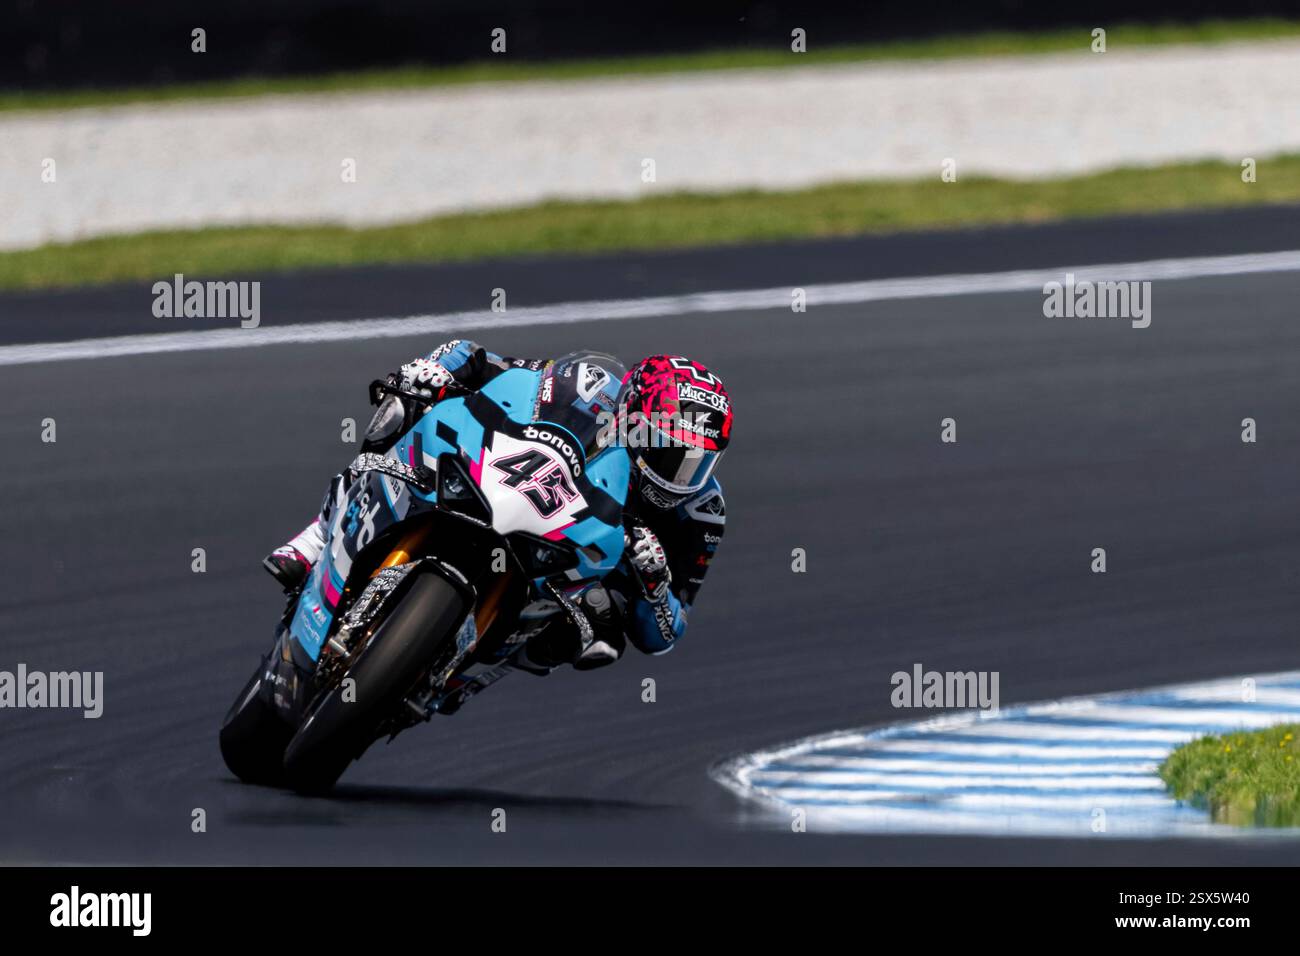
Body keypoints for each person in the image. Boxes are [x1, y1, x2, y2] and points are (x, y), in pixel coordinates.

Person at [264, 340, 731, 672]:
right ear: (632, 418)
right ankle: (319, 534)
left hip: (570, 572)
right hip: (518, 486)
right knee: (405, 406)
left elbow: (666, 636)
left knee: (601, 630)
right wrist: (435, 372)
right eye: (669, 452)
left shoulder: (701, 512)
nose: (679, 475)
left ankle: (476, 661)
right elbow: (483, 361)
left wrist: (655, 584)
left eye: (696, 462)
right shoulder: (590, 385)